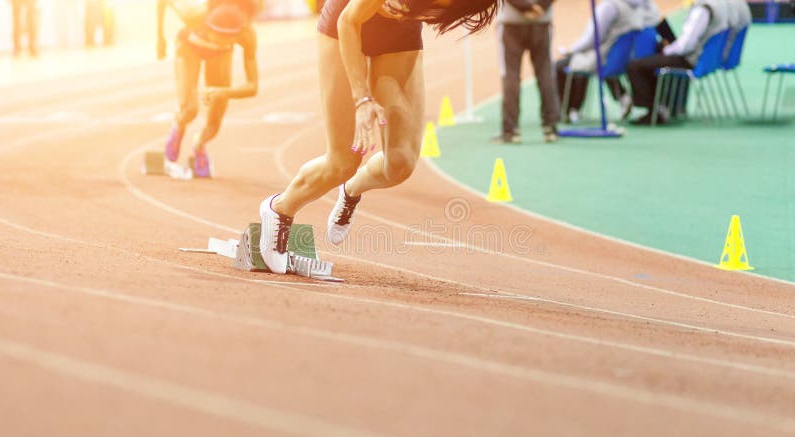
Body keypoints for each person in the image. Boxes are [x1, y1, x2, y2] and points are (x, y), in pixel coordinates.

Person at [256, 0, 501, 274]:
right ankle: (279, 209)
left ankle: (352, 189)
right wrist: (362, 100)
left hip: (399, 37)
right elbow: (349, 21)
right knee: (342, 162)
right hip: (346, 25)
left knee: (400, 164)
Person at [157, 0, 259, 178]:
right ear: (210, 28)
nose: (221, 43)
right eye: (218, 39)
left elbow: (253, 87)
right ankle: (179, 126)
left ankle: (198, 144)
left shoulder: (246, 34)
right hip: (190, 47)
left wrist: (221, 92)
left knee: (215, 120)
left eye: (228, 41)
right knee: (190, 109)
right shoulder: (193, 14)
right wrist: (160, 37)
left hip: (219, 57)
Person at [626, 0, 728, 125]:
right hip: (703, 58)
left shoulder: (702, 10)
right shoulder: (716, 5)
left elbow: (686, 46)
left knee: (635, 66)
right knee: (653, 57)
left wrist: (666, 51)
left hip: (689, 58)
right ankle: (667, 105)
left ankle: (653, 112)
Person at [554, 0, 642, 122]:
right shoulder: (637, 6)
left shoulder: (609, 6)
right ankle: (623, 96)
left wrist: (571, 50)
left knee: (562, 65)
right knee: (592, 62)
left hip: (604, 56)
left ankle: (568, 110)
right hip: (621, 58)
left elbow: (593, 39)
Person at [492, 0, 560, 144]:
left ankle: (511, 130)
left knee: (510, 74)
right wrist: (540, 7)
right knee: (545, 72)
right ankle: (550, 126)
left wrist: (526, 7)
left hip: (512, 23)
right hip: (541, 21)